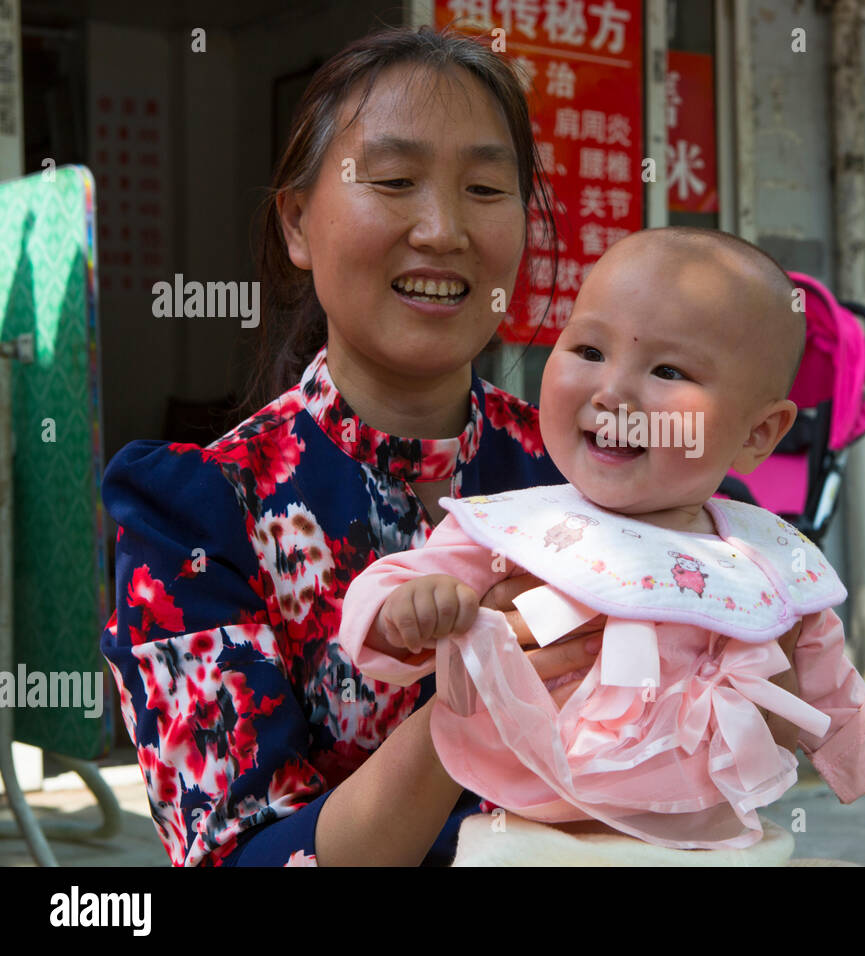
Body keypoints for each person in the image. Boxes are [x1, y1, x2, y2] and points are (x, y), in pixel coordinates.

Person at [338, 227, 865, 854]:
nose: (614, 390)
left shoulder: (766, 562)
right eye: (588, 350)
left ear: (758, 433)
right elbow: (391, 591)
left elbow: (834, 697)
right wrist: (412, 608)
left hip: (714, 844)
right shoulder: (514, 527)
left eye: (668, 372)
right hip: (537, 841)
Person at [99, 26, 605, 867]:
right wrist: (470, 701)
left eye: (485, 187)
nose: (443, 230)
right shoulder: (196, 518)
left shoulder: (589, 473)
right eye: (396, 180)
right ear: (298, 224)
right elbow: (242, 856)